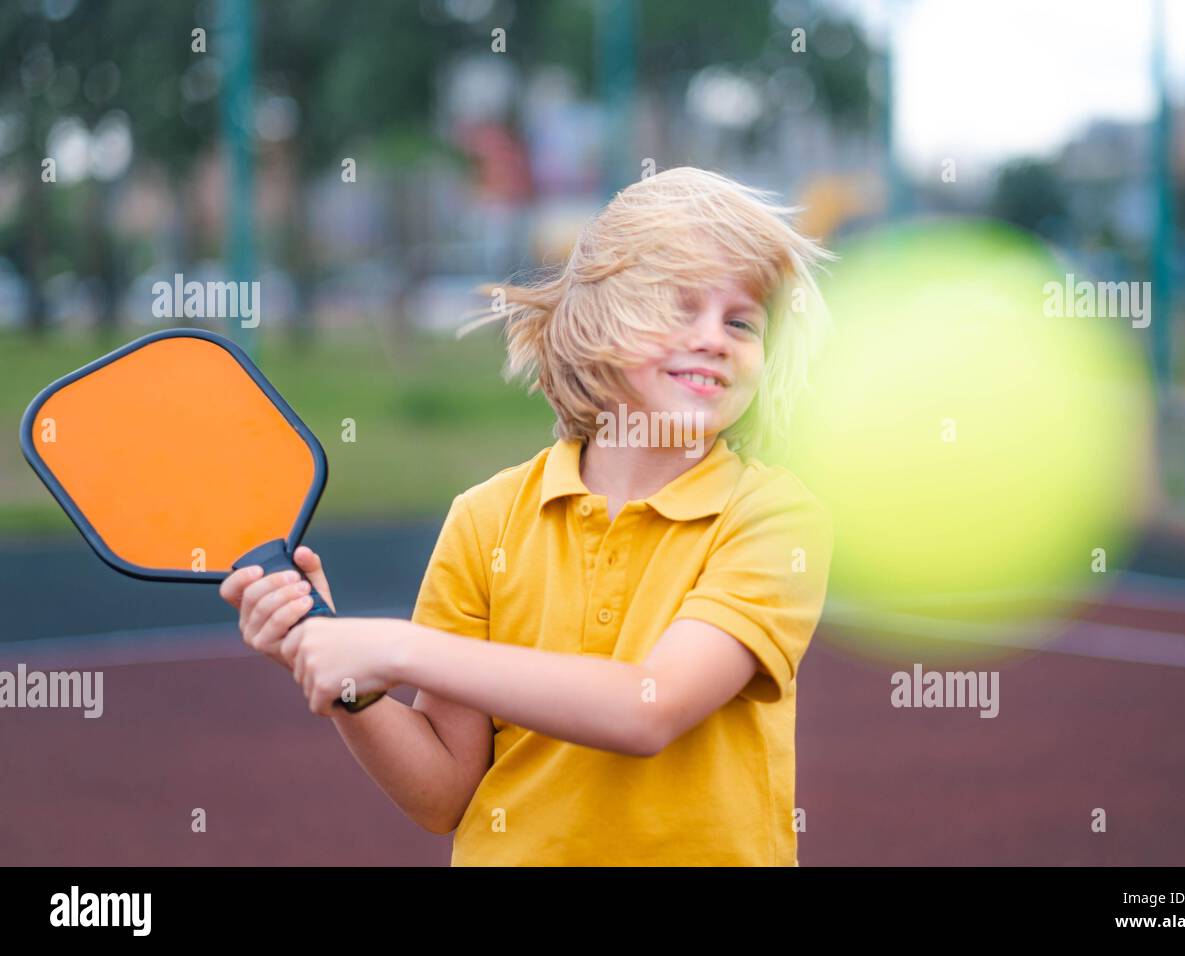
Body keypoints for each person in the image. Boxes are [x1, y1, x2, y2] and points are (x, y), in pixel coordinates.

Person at [220, 166, 836, 866]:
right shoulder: (486, 520)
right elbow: (441, 794)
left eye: (742, 322)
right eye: (680, 307)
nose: (714, 338)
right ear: (598, 318)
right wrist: (343, 679)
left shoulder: (771, 518)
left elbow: (648, 708)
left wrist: (395, 648)